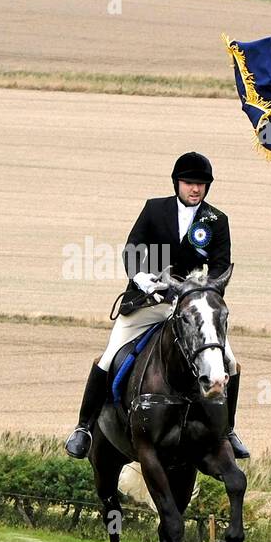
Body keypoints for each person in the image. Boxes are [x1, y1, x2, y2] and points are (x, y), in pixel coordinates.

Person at [65, 151, 247, 460]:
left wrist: (199, 290)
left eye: (201, 184)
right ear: (177, 183)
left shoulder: (216, 220)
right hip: (150, 302)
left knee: (229, 361)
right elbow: (133, 248)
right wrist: (141, 277)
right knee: (109, 356)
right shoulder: (154, 210)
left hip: (190, 309)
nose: (195, 189)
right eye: (189, 183)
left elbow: (219, 268)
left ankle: (228, 429)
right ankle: (83, 428)